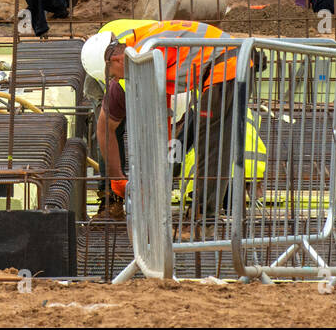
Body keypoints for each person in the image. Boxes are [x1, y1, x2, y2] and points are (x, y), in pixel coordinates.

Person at [81, 20, 251, 224]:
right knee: (207, 140)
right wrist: (117, 176)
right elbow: (156, 122)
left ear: (116, 60)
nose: (114, 80)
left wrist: (162, 168)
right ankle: (112, 201)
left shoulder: (147, 56)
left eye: (112, 76)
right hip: (218, 63)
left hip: (229, 64)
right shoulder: (141, 58)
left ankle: (204, 218)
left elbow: (164, 127)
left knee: (211, 141)